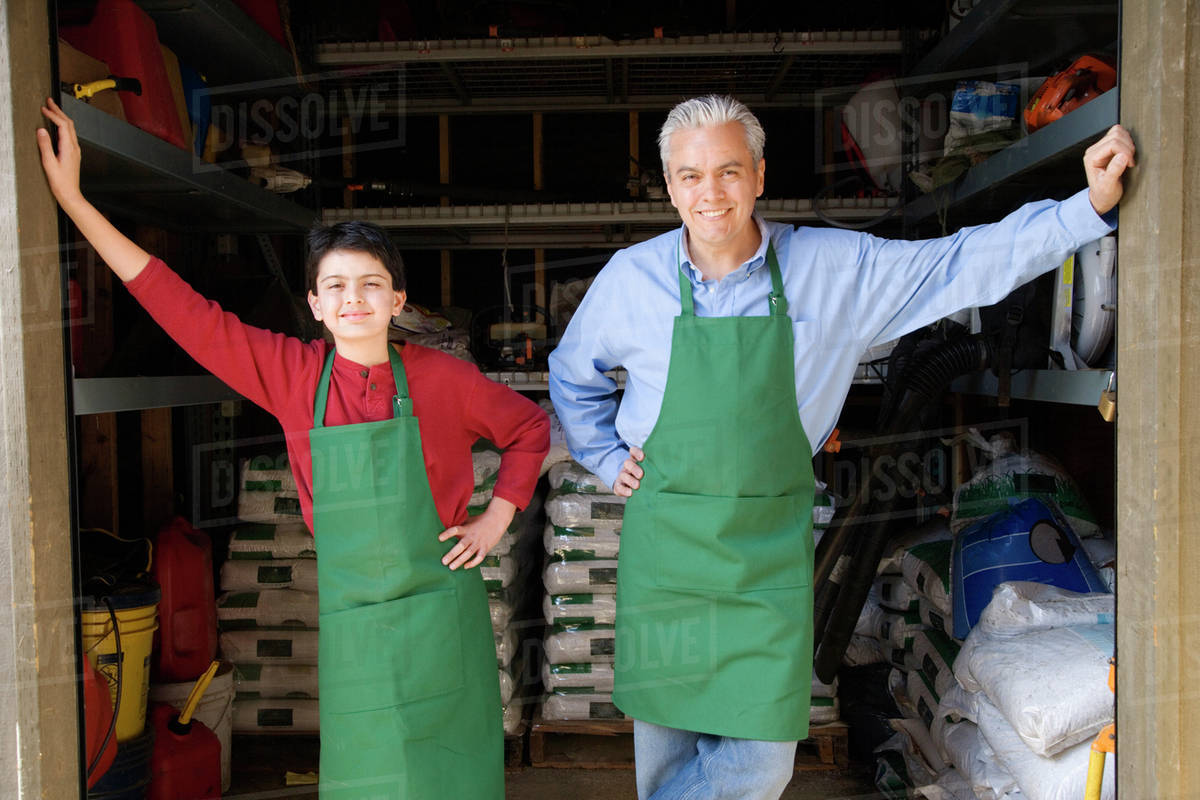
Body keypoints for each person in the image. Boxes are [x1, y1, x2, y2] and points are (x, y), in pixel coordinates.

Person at [548, 94, 1134, 799]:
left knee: (761, 763)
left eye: (728, 171)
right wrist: (607, 457)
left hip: (763, 557)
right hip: (666, 552)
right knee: (668, 762)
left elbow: (958, 263)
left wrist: (1084, 210)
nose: (711, 193)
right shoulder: (630, 279)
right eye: (690, 176)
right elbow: (571, 374)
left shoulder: (831, 267)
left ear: (759, 176)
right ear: (671, 187)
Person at [37, 97, 549, 800]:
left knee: (451, 772)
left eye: (371, 284)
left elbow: (529, 429)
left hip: (441, 614)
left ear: (398, 299)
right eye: (335, 285)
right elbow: (178, 306)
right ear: (313, 304)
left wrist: (497, 517)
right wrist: (74, 201)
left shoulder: (444, 379)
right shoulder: (291, 375)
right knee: (369, 776)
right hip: (353, 623)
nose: (353, 299)